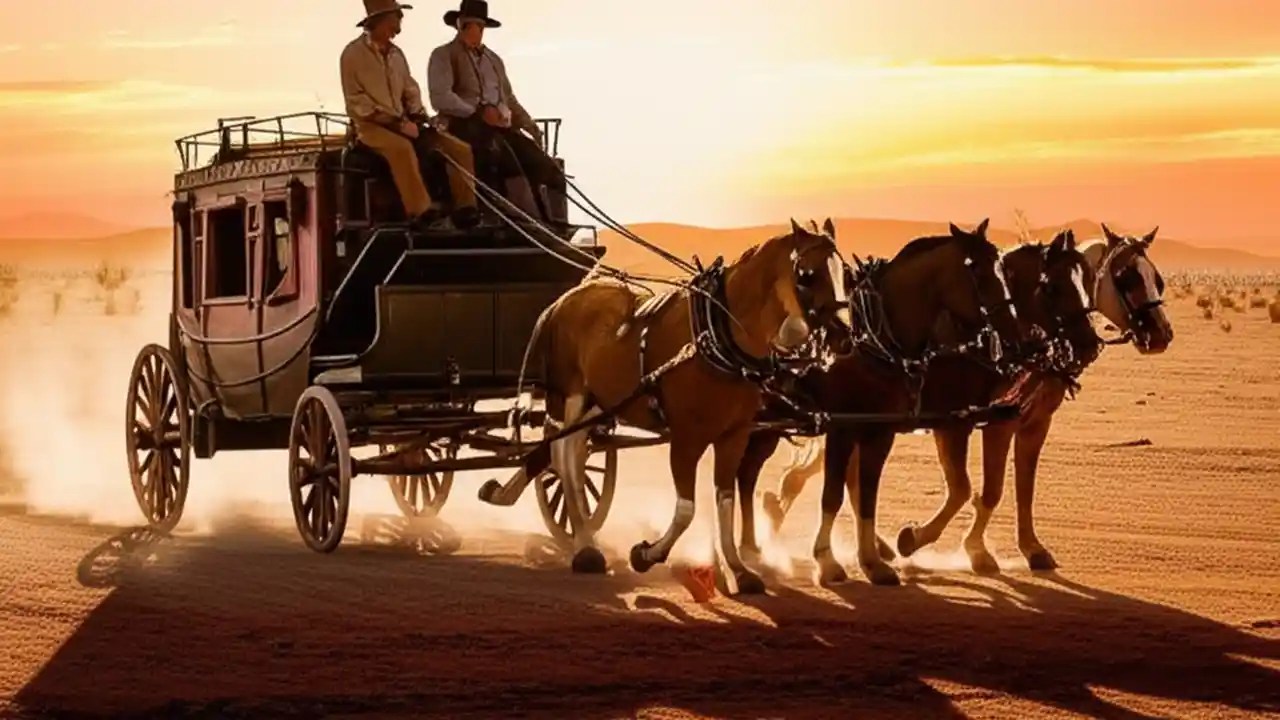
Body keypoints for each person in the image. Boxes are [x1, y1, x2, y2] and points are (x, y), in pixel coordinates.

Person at [340, 0, 480, 230]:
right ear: (381, 21)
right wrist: (396, 123)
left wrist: (419, 117)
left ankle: (466, 209)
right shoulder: (352, 55)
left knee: (459, 149)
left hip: (404, 122)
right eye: (396, 20)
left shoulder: (397, 55)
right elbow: (357, 103)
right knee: (401, 149)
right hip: (371, 127)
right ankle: (420, 210)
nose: (399, 28)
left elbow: (410, 89)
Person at [427, 0, 566, 224]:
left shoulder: (494, 60)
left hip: (499, 127)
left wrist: (529, 125)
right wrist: (477, 112)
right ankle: (517, 218)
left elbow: (508, 98)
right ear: (460, 25)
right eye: (470, 25)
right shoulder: (444, 55)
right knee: (501, 156)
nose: (476, 31)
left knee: (538, 159)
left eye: (480, 27)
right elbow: (440, 97)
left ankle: (550, 219)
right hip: (462, 125)